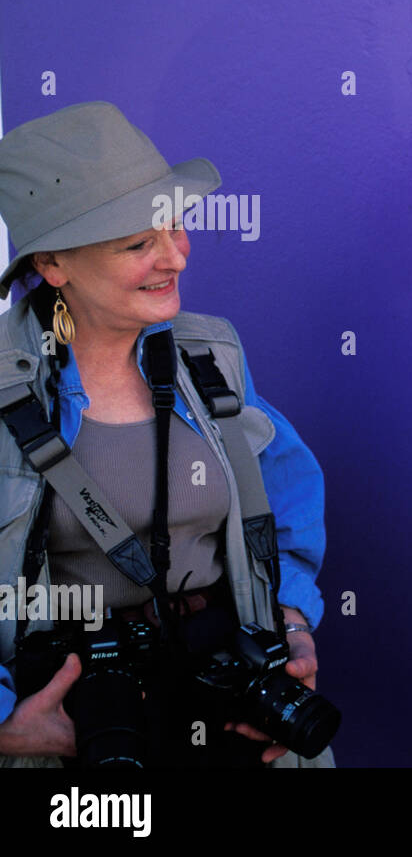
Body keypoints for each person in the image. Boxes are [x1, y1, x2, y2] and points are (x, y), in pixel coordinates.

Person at [0, 101, 330, 767]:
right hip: (79, 728)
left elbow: (286, 502)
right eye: (137, 243)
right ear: (56, 264)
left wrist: (290, 621)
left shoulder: (211, 357)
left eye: (176, 227)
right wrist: (5, 723)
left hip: (223, 707)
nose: (174, 256)